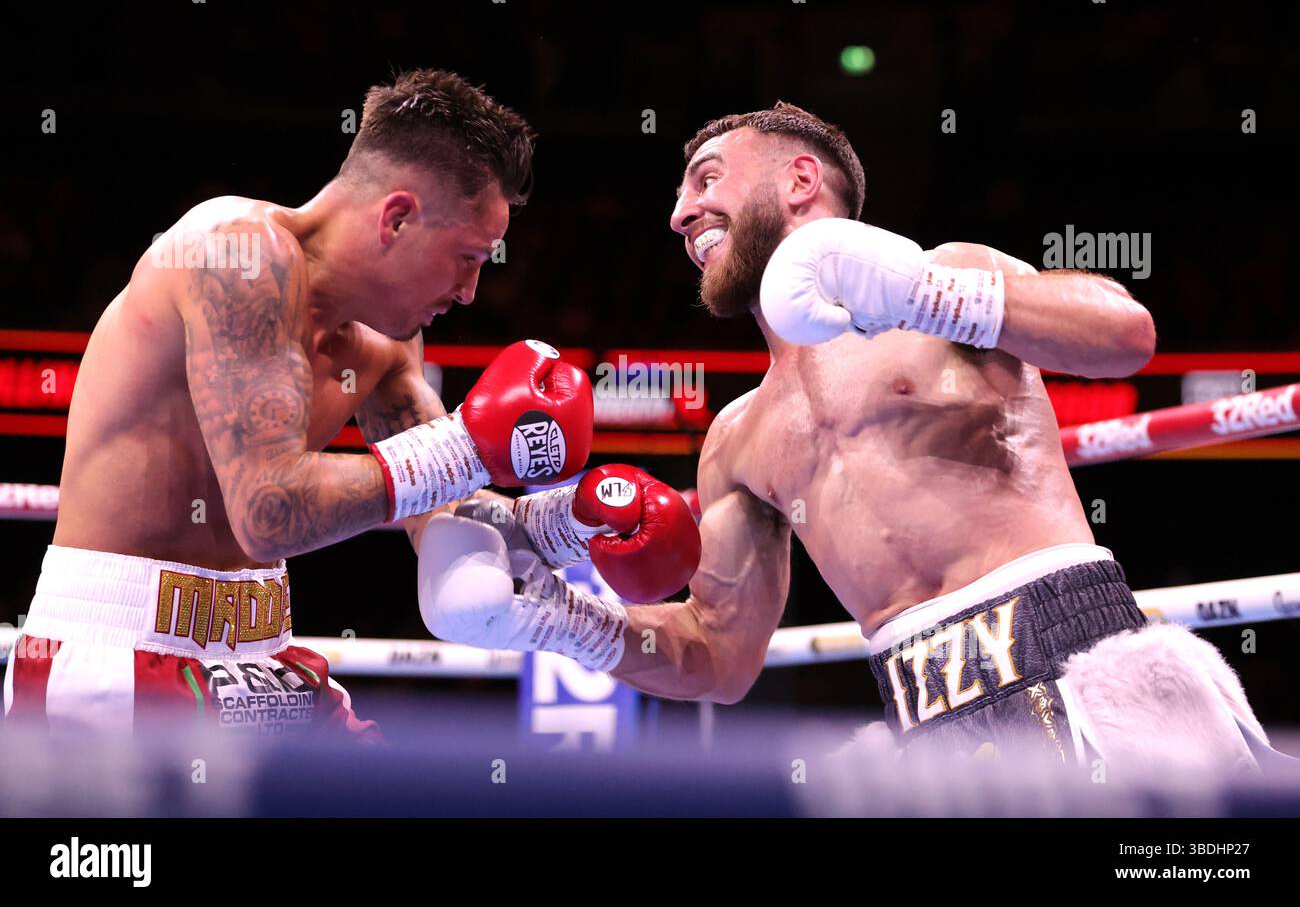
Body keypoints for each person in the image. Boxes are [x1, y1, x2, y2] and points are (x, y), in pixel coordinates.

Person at [424, 101, 1274, 773]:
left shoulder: (947, 277)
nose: (682, 214)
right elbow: (720, 659)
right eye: (681, 196)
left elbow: (1125, 332)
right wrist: (556, 619)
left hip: (1078, 658)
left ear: (801, 180)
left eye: (706, 178)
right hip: (926, 719)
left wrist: (932, 295)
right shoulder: (737, 437)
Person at [3, 68, 694, 739]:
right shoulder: (238, 253)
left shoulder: (389, 343)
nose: (472, 291)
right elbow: (269, 511)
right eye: (468, 256)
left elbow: (443, 507)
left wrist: (568, 522)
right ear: (397, 217)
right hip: (116, 653)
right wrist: (470, 444)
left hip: (264, 655)